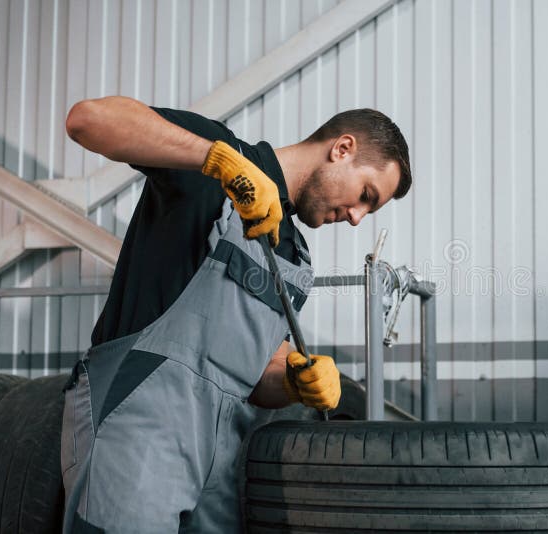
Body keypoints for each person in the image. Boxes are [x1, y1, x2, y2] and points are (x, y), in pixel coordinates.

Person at [60, 96, 412, 533]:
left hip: (220, 463)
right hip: (137, 429)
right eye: (365, 196)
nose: (357, 218)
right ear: (342, 148)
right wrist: (220, 162)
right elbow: (88, 120)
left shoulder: (295, 256)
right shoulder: (220, 161)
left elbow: (254, 374)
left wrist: (292, 380)